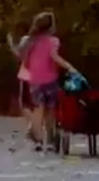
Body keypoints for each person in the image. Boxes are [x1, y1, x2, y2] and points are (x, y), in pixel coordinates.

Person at [19, 12, 78, 152]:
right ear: (51, 27)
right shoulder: (53, 41)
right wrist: (69, 67)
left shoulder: (30, 42)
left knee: (38, 110)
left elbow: (23, 57)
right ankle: (51, 141)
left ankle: (38, 141)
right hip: (50, 80)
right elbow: (54, 57)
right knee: (51, 111)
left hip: (35, 81)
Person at [7, 27, 39, 144]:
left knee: (24, 103)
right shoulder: (44, 42)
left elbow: (19, 54)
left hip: (27, 75)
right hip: (41, 76)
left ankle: (34, 127)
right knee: (36, 104)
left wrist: (10, 43)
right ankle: (33, 128)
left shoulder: (27, 40)